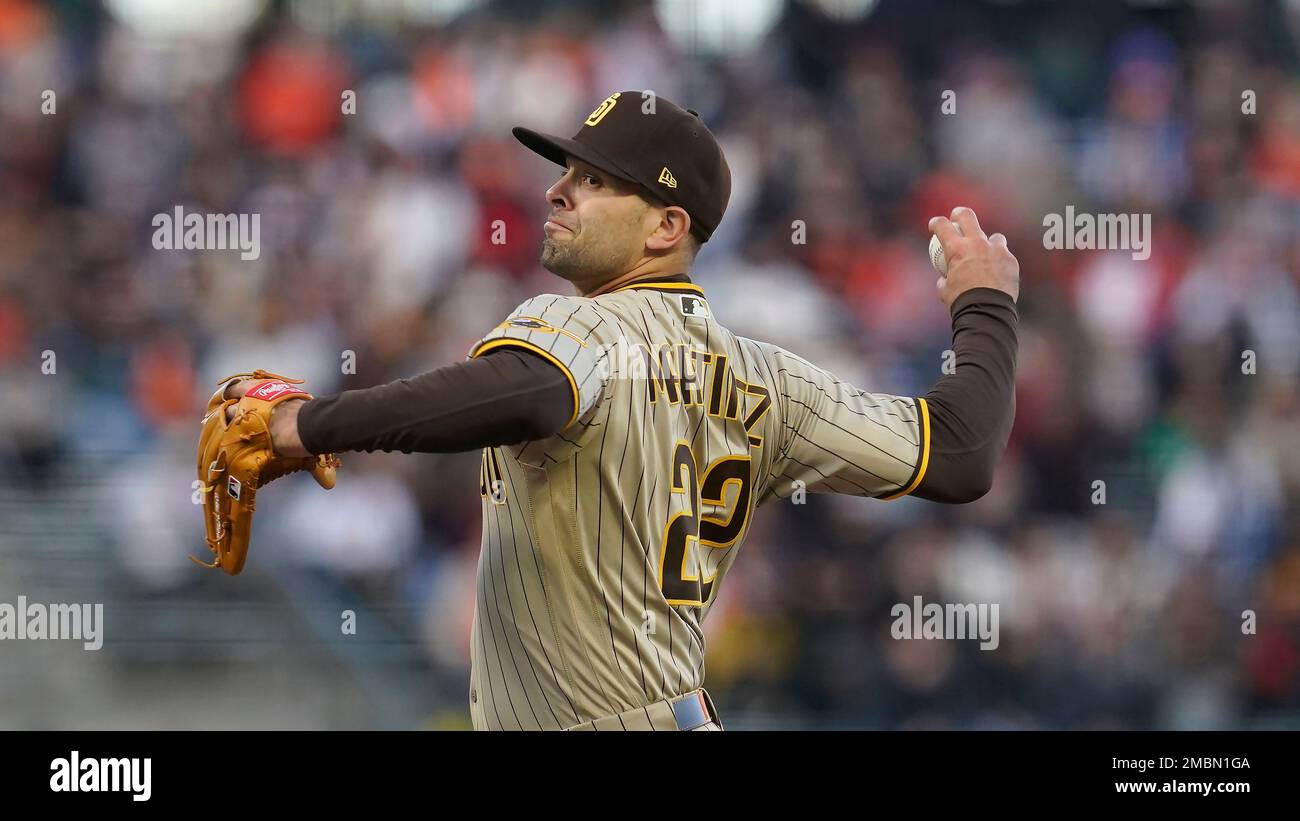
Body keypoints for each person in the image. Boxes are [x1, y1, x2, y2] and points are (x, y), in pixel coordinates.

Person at [222, 91, 1020, 731]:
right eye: (567, 169)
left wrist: (306, 423)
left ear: (668, 226)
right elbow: (959, 454)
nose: (557, 189)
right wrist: (983, 306)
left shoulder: (581, 325)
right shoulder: (773, 381)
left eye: (595, 180)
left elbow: (520, 394)